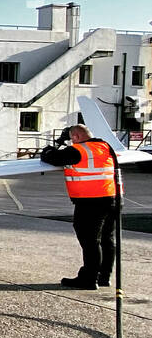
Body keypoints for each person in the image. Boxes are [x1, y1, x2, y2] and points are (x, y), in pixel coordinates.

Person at [39, 124, 117, 290]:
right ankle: (104, 276)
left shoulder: (77, 150)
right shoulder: (104, 146)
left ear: (76, 137)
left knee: (90, 240)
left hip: (90, 201)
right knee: (107, 239)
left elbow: (49, 157)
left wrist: (56, 144)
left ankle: (89, 279)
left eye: (71, 138)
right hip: (112, 198)